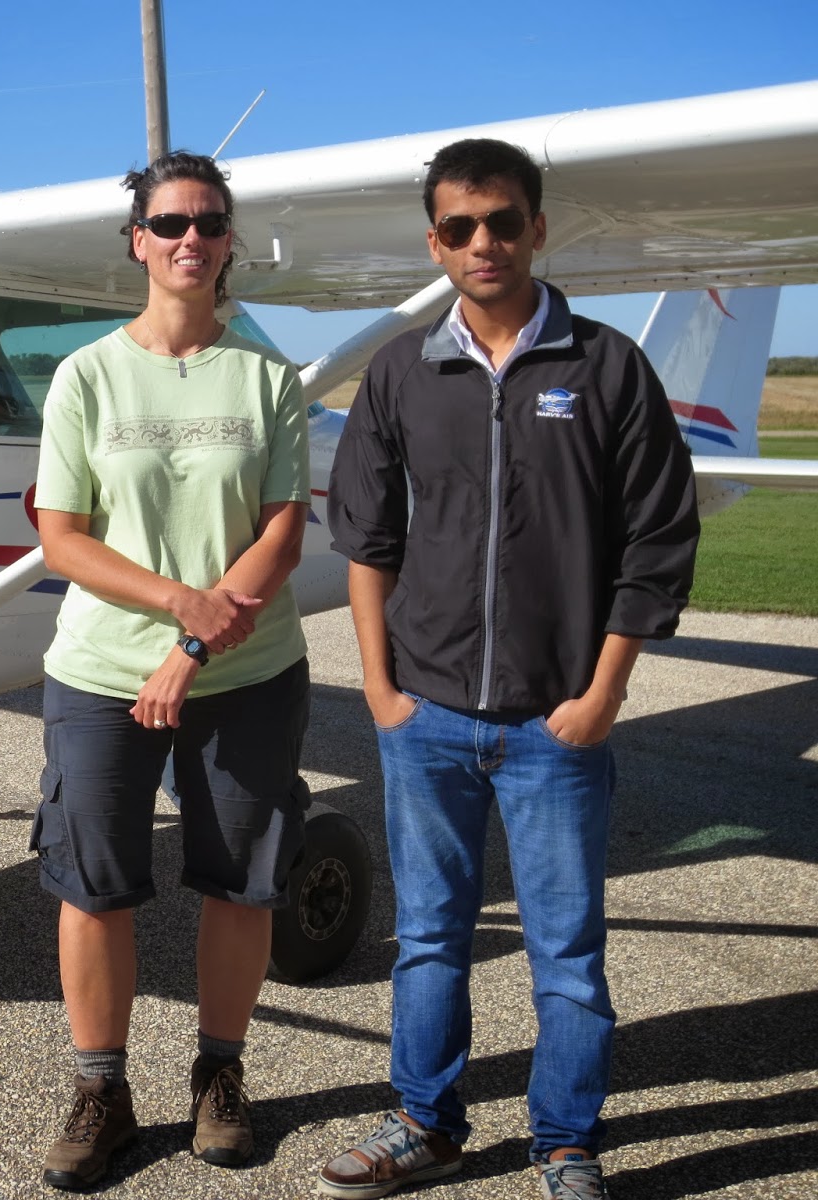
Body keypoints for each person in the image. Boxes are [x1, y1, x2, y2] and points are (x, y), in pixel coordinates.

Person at [320, 139, 698, 1200]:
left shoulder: (607, 366)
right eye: (458, 227)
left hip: (554, 724)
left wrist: (602, 696)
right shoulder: (401, 371)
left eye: (500, 222)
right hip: (426, 717)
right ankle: (425, 1123)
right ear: (434, 242)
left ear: (535, 228)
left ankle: (565, 1143)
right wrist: (382, 691)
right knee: (429, 939)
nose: (481, 242)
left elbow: (658, 541)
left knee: (566, 953)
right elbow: (366, 542)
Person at [29, 150, 313, 1190]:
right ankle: (100, 1091)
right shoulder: (86, 376)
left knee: (240, 883)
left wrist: (195, 644)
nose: (190, 238)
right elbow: (62, 537)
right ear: (137, 242)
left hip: (247, 673)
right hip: (102, 671)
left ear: (229, 241)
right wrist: (177, 605)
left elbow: (282, 536)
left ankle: (219, 1077)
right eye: (170, 223)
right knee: (93, 886)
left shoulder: (268, 378)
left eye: (209, 222)